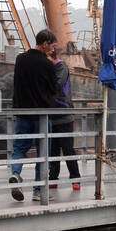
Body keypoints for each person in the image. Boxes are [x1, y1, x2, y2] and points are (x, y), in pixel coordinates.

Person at [8, 28, 59, 201]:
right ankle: (38, 190)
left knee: (19, 149)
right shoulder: (47, 64)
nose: (53, 49)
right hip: (42, 116)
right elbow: (54, 89)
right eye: (52, 46)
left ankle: (16, 174)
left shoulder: (20, 59)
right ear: (45, 44)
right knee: (42, 153)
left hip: (23, 113)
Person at [46, 41, 81, 193]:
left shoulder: (61, 67)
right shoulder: (50, 69)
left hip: (64, 114)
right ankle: (53, 178)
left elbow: (56, 85)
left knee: (67, 149)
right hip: (51, 115)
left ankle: (75, 178)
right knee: (53, 150)